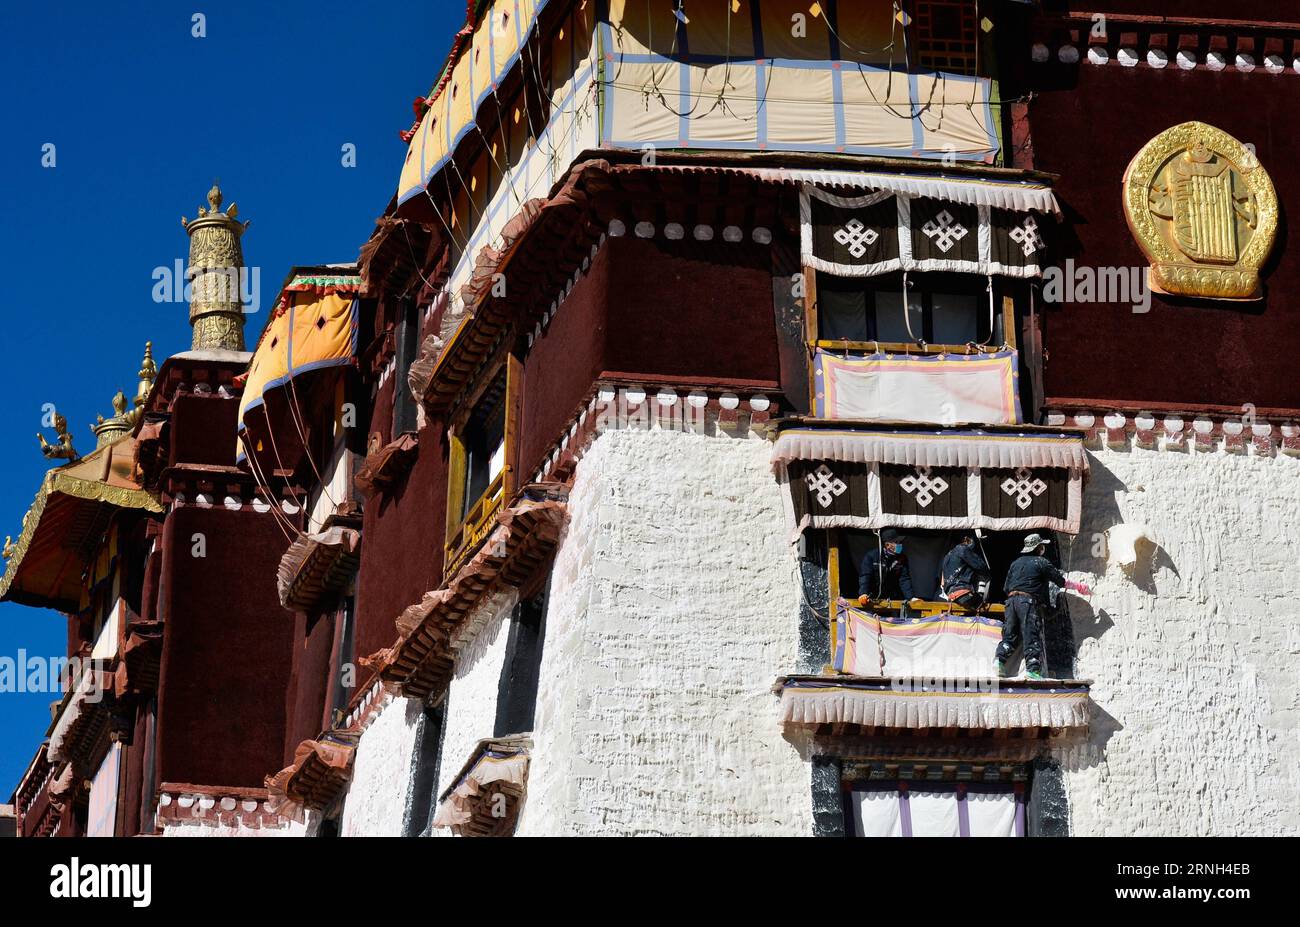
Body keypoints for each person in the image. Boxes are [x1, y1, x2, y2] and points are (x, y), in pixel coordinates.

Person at [996, 533, 1089, 679]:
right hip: (1027, 603)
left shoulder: (1015, 563)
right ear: (1039, 547)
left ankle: (999, 663)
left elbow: (1006, 587)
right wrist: (1079, 587)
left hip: (1010, 602)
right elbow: (1060, 581)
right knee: (1031, 636)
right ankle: (1032, 671)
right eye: (1042, 546)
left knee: (1009, 635)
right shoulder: (1041, 562)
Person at [858, 529, 916, 602]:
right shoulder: (872, 556)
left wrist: (911, 598)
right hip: (872, 597)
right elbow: (865, 576)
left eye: (900, 542)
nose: (900, 544)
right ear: (887, 545)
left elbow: (904, 579)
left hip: (891, 597)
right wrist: (863, 593)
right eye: (897, 542)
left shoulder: (902, 558)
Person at [940, 530, 991, 609]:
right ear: (966, 539)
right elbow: (981, 567)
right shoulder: (962, 550)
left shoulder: (947, 556)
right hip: (963, 593)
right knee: (987, 609)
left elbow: (943, 583)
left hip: (950, 595)